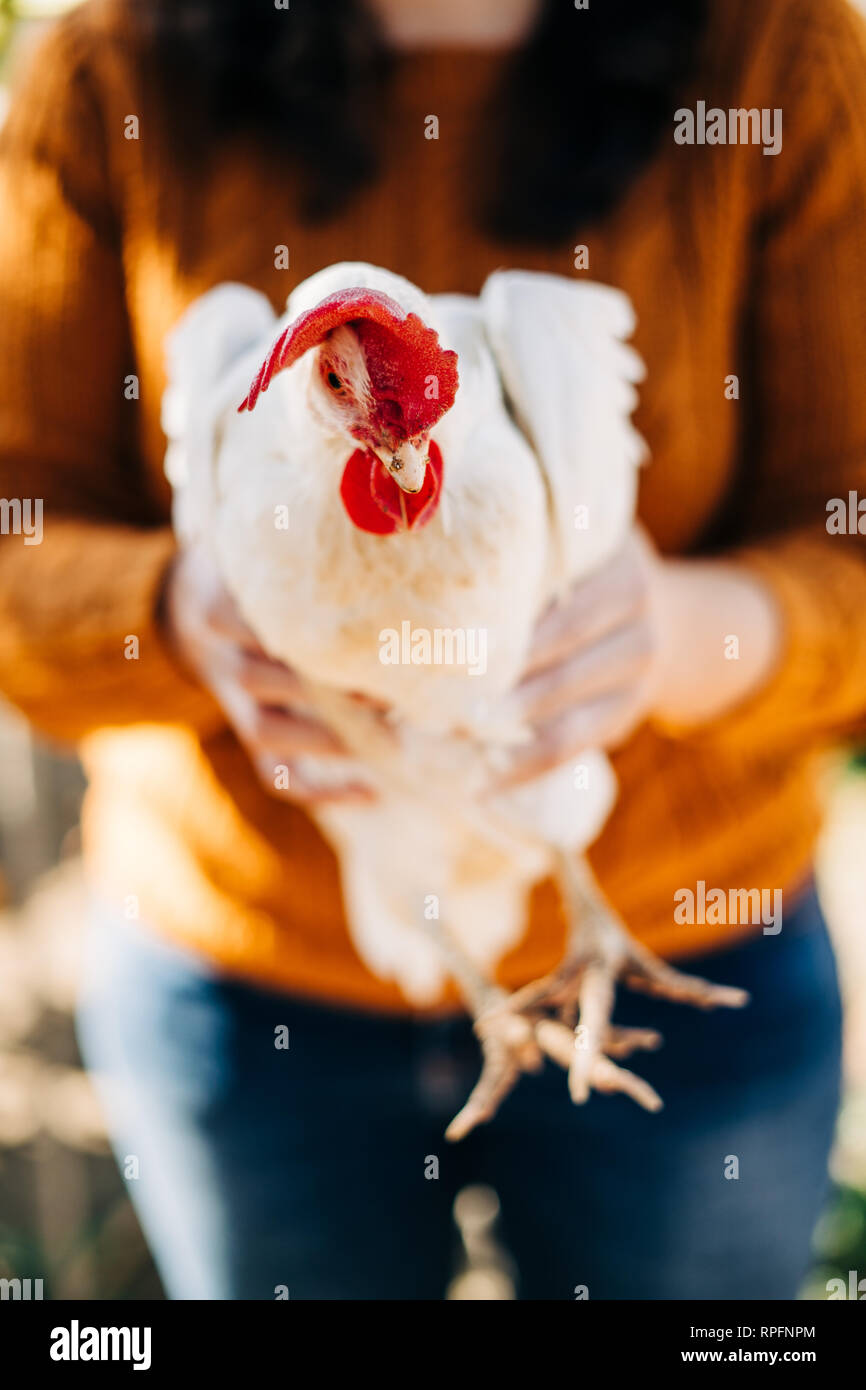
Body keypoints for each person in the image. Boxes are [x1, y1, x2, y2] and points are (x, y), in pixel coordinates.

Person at [0, 0, 862, 1299]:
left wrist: (677, 632)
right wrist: (185, 612)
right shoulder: (111, 68)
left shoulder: (779, 54)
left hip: (673, 951)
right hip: (247, 983)